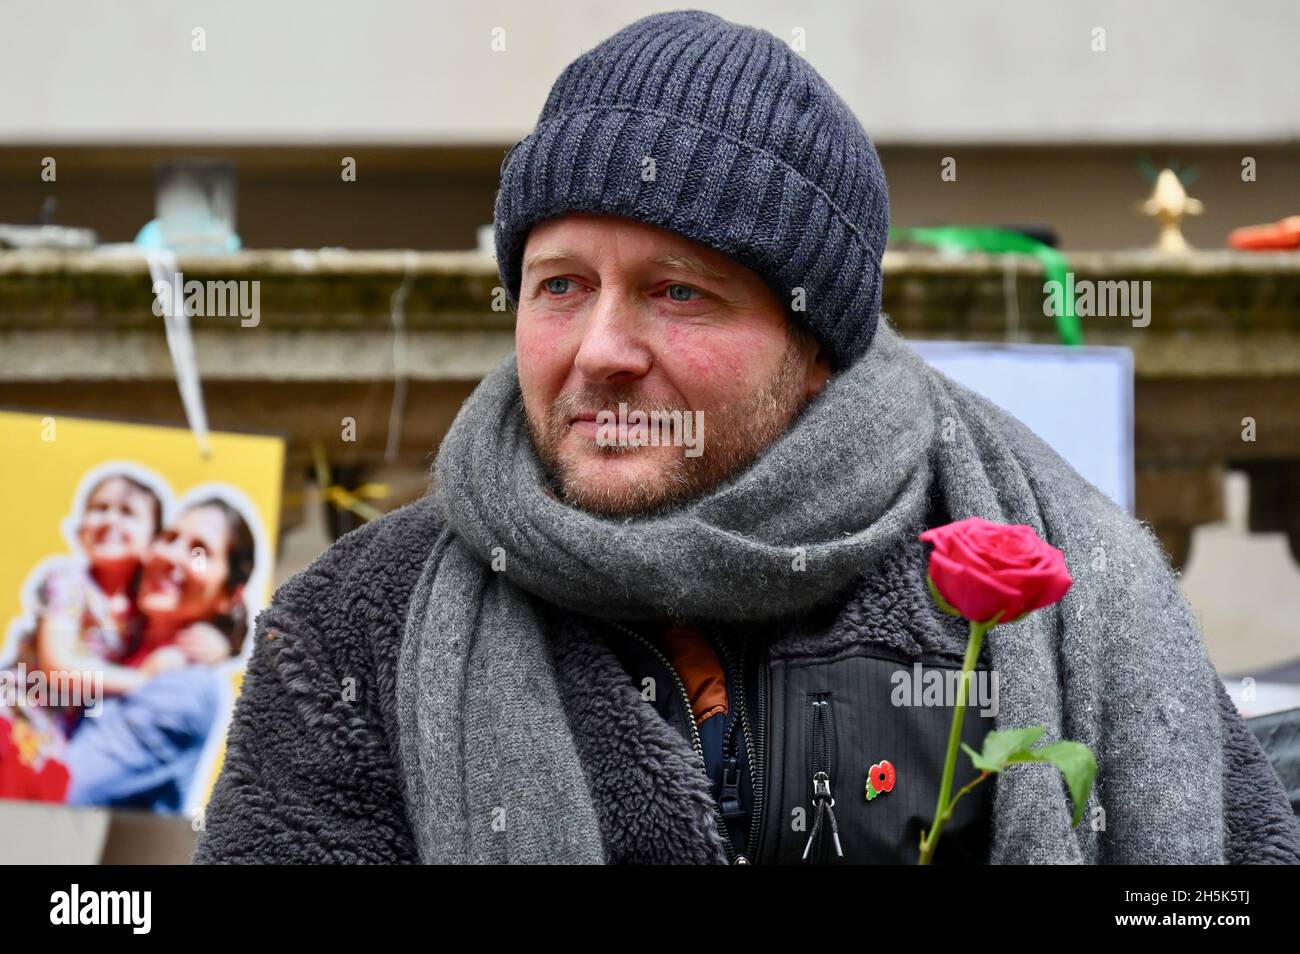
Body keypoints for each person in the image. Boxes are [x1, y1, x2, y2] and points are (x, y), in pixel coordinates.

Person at [194, 10, 1300, 864]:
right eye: (560, 286)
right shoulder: (355, 626)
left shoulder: (1046, 592)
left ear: (813, 346)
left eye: (678, 293)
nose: (602, 349)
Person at [61, 498, 255, 811]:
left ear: (229, 595)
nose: (172, 555)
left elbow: (65, 786)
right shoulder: (112, 634)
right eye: (169, 538)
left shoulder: (185, 691)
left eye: (199, 551)